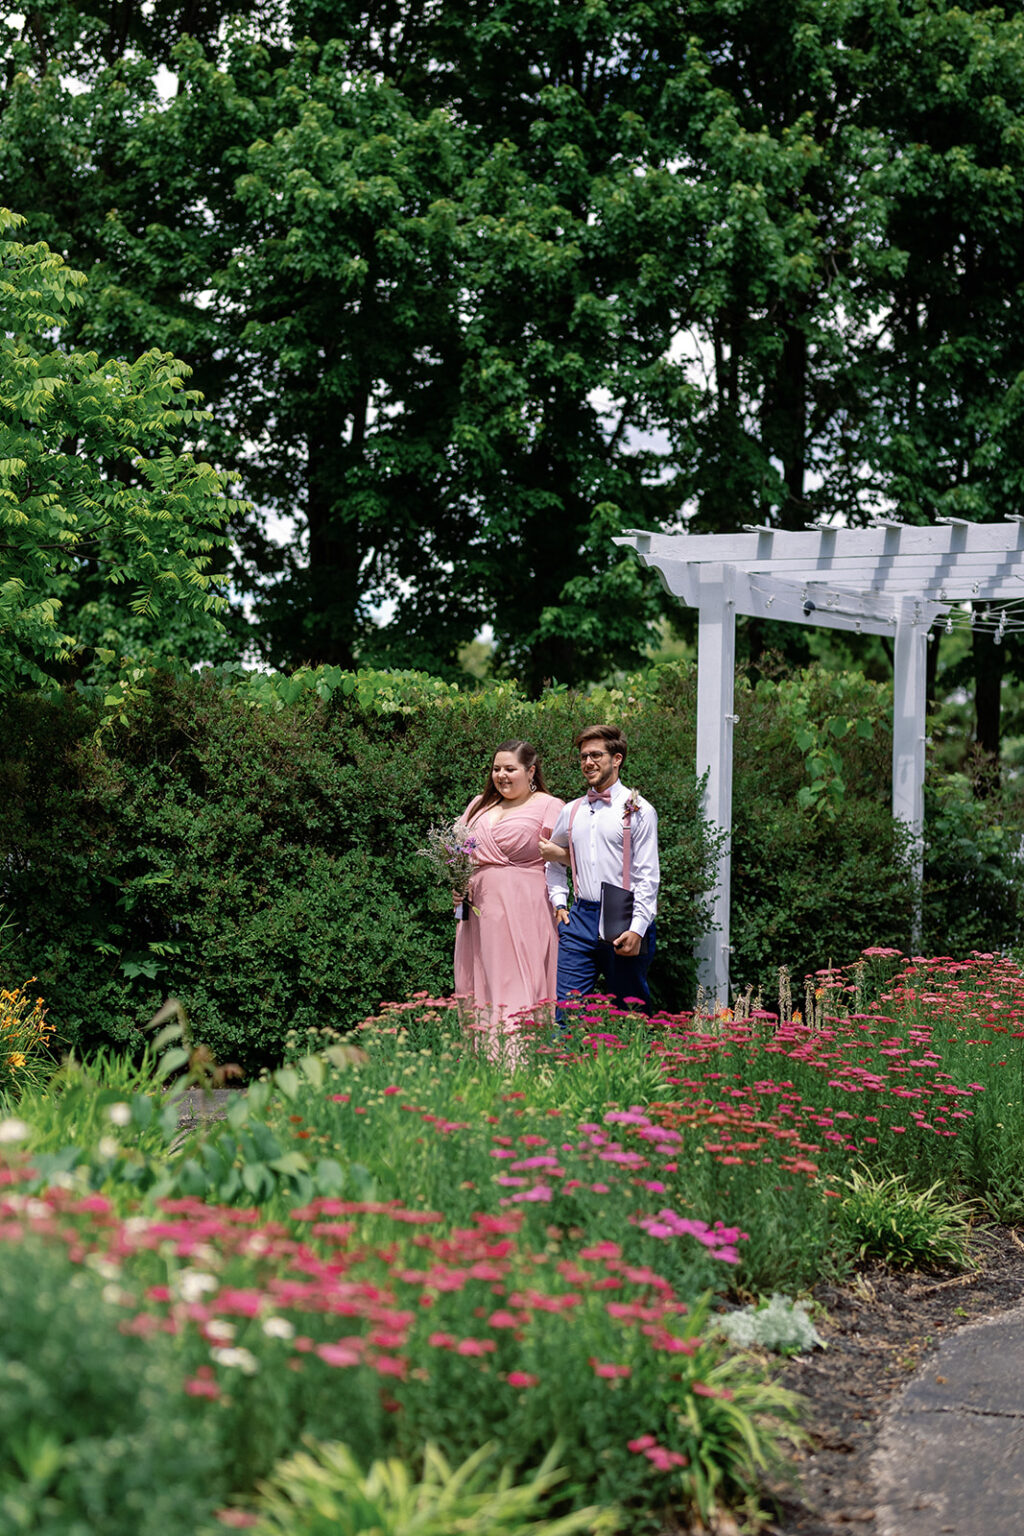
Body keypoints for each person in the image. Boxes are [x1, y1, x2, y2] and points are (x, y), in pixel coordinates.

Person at [453, 740, 565, 1057]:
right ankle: (481, 1058)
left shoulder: (549, 805)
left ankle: (520, 1058)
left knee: (518, 979)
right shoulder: (479, 805)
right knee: (480, 978)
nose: (501, 775)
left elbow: (566, 859)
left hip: (525, 907)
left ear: (530, 771)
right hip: (478, 912)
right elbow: (458, 853)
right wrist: (457, 883)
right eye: (496, 769)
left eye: (510, 769)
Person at [541, 724, 659, 1015]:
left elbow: (647, 877)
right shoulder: (572, 811)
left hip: (624, 916)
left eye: (596, 755)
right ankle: (564, 1047)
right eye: (583, 756)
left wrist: (637, 929)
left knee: (630, 1011)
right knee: (567, 1010)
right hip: (580, 917)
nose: (588, 762)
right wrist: (559, 902)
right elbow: (553, 860)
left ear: (617, 759)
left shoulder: (639, 810)